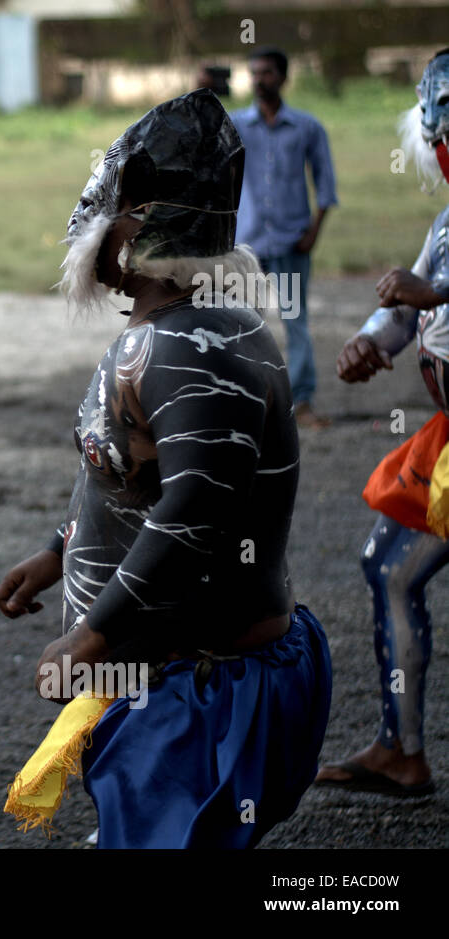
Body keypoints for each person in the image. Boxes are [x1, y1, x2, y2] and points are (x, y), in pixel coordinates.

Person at [0, 89, 331, 848]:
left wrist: (93, 635)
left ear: (140, 221)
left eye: (105, 203)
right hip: (176, 680)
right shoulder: (183, 330)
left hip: (202, 691)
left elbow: (194, 512)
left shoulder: (182, 345)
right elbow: (134, 472)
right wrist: (57, 549)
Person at [316, 49, 449, 798]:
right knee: (391, 567)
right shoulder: (447, 220)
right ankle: (402, 749)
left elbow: (429, 291)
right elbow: (408, 307)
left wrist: (432, 291)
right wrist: (373, 338)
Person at [231, 46, 339, 429]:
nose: (260, 80)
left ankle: (302, 403)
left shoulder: (306, 128)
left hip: (290, 244)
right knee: (246, 325)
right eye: (254, 73)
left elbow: (325, 184)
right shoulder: (236, 126)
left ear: (283, 77)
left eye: (267, 73)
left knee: (294, 322)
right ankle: (245, 403)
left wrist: (314, 230)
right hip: (249, 248)